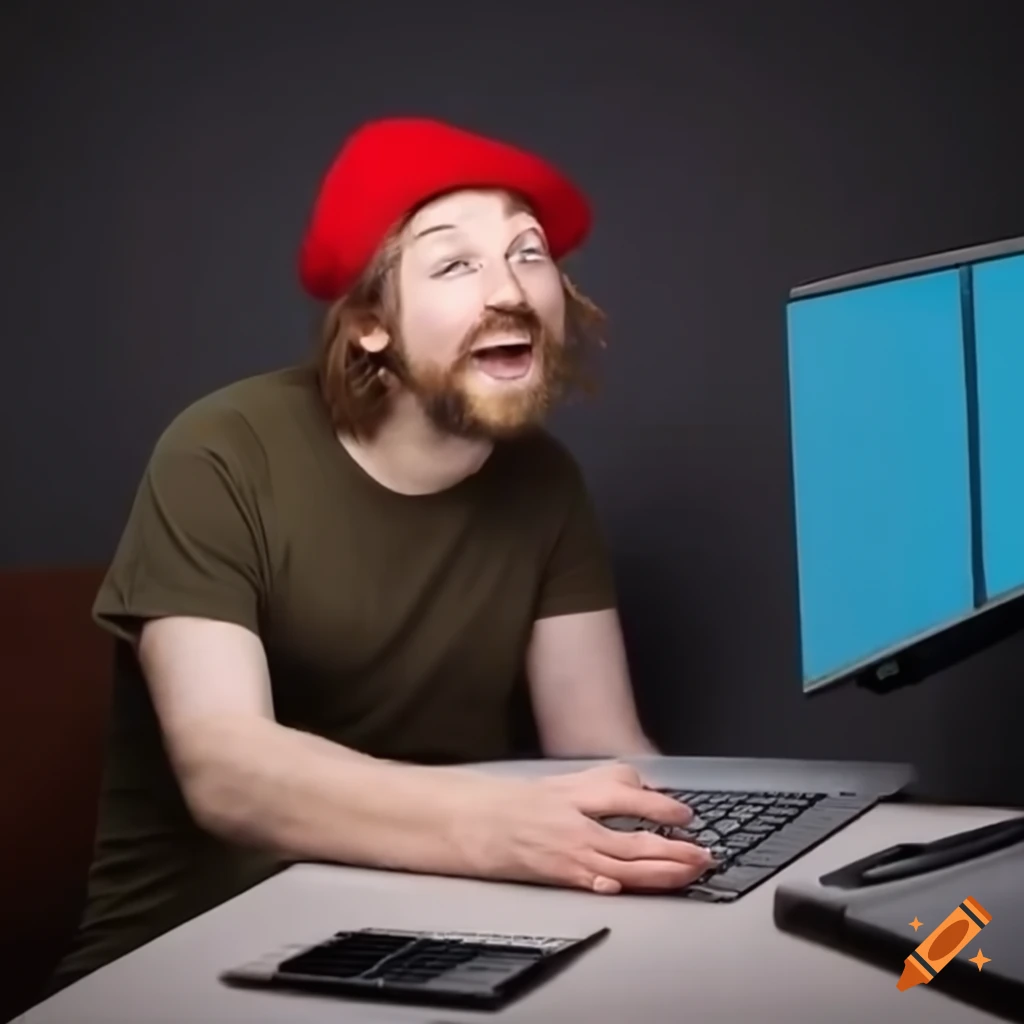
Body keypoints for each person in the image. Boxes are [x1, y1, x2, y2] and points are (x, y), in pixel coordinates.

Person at [49, 117, 712, 993]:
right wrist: (498, 825)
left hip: (431, 933)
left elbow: (597, 742)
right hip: (191, 959)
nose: (509, 290)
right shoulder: (220, 452)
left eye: (527, 252)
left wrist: (724, 841)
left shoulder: (545, 482)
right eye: (454, 264)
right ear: (369, 325)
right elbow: (227, 768)